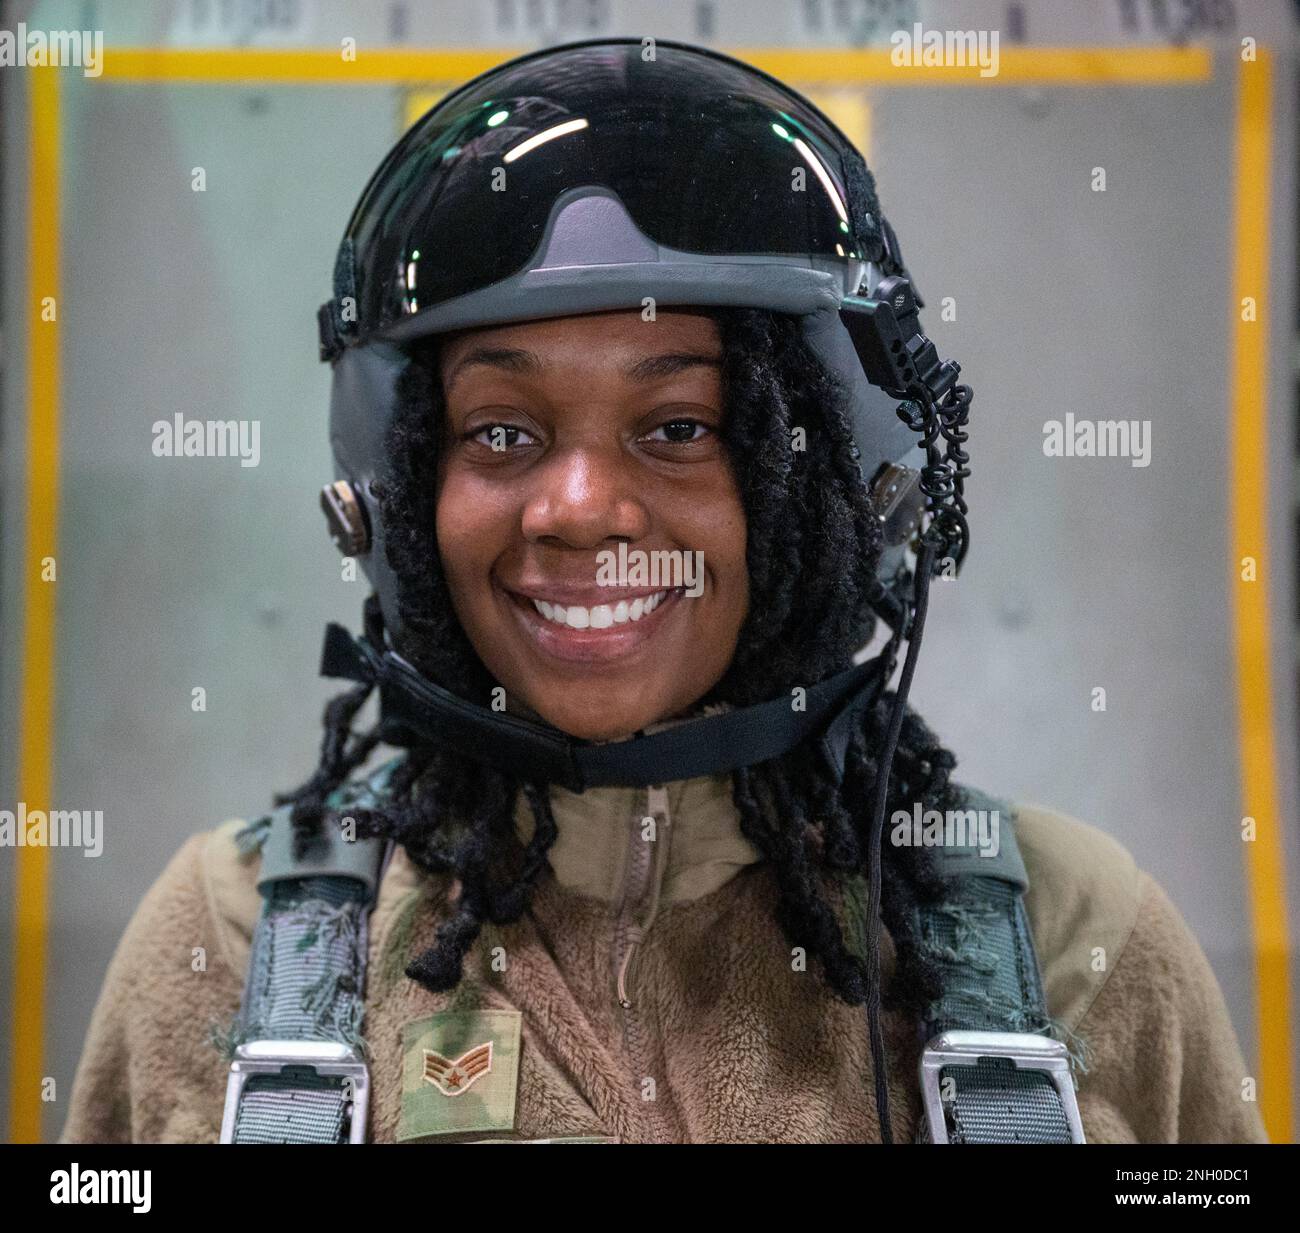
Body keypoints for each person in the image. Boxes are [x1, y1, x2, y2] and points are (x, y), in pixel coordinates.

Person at [61, 38, 1267, 1145]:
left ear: (841, 482)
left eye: (680, 424)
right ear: (397, 494)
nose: (578, 508)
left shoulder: (1073, 942)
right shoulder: (226, 946)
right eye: (501, 433)